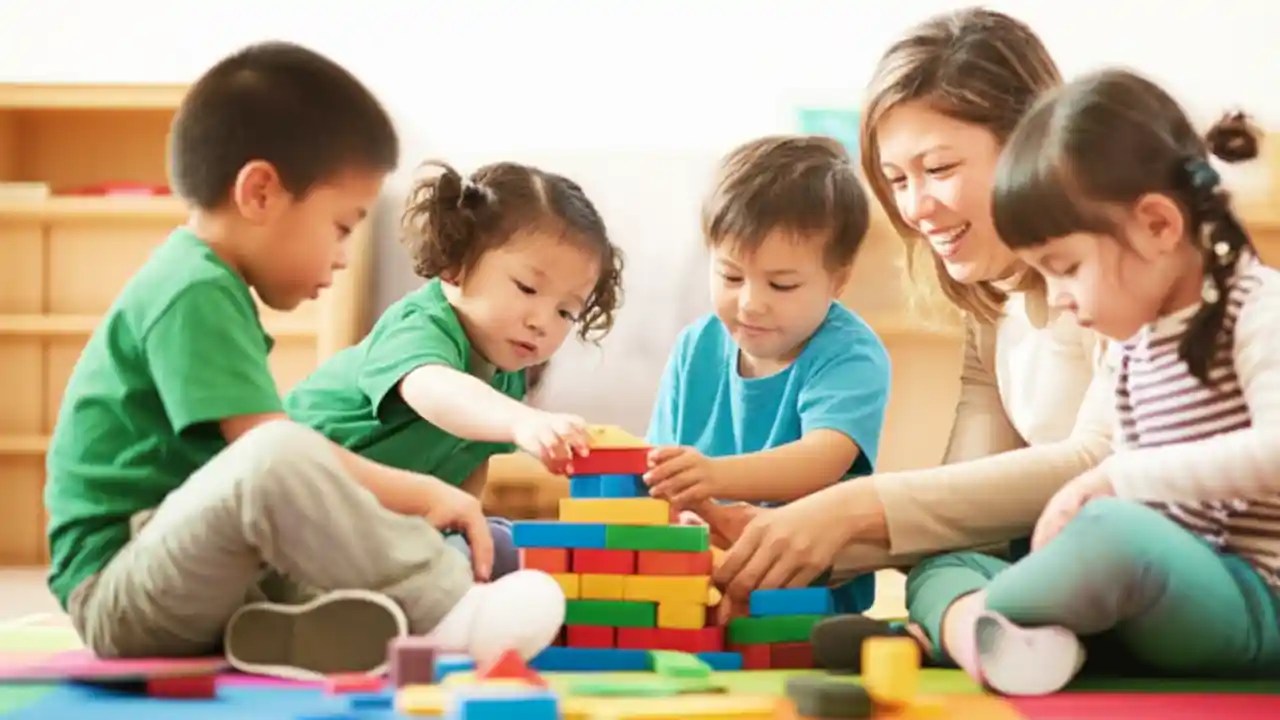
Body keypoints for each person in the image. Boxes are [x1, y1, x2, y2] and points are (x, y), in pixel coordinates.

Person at [43, 42, 565, 682]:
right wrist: (416, 492)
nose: (344, 257)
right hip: (119, 591)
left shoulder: (214, 288)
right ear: (260, 192)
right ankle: (448, 612)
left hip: (201, 577)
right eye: (341, 227)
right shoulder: (191, 288)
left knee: (297, 499)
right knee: (277, 454)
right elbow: (266, 453)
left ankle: (292, 630)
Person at [709, 8, 1112, 669]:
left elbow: (1101, 459)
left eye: (939, 167)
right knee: (947, 564)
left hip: (1149, 538)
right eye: (897, 180)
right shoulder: (991, 301)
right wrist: (808, 541)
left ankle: (974, 634)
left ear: (1031, 143)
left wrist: (850, 510)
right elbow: (970, 501)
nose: (916, 207)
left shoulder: (1112, 276)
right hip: (1052, 547)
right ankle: (985, 636)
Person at [942, 68, 1280, 695]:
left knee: (1111, 534)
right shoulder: (1132, 346)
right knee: (954, 557)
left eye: (1065, 269)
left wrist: (1113, 481)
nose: (1059, 298)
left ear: (1158, 225)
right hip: (1166, 597)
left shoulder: (1258, 308)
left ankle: (963, 627)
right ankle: (1021, 639)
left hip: (1256, 602)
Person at [286, 159, 625, 580]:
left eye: (565, 312)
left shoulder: (507, 370)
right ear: (456, 263)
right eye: (526, 288)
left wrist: (466, 526)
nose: (542, 321)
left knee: (498, 547)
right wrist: (522, 421)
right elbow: (434, 390)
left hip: (376, 520)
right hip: (295, 495)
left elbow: (472, 458)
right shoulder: (422, 324)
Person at [645, 135, 891, 612]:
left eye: (782, 284)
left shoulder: (850, 353)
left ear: (838, 280)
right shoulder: (696, 346)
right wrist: (687, 510)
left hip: (810, 590)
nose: (750, 302)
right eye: (731, 276)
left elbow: (823, 457)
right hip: (699, 573)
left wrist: (714, 477)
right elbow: (660, 467)